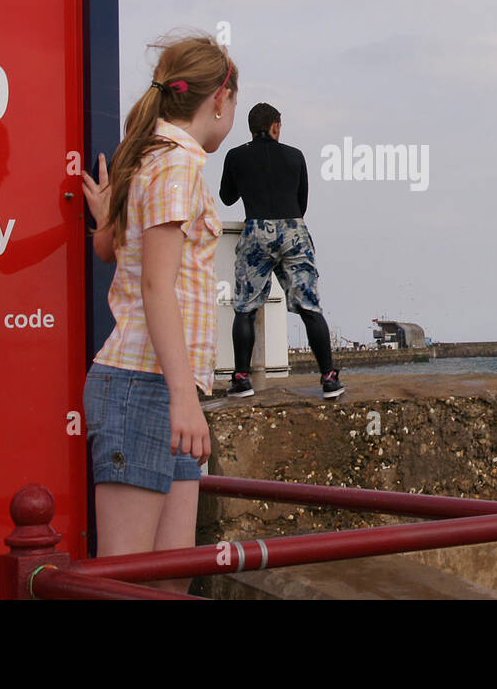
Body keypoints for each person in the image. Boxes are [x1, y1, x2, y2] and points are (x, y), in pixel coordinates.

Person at [78, 32, 236, 591]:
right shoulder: (178, 165)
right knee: (128, 583)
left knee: (169, 581)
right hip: (149, 386)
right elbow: (155, 284)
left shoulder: (148, 157)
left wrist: (105, 218)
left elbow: (114, 253)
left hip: (157, 385)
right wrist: (184, 399)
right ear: (221, 97)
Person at [219, 103, 343, 399]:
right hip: (293, 230)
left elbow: (226, 197)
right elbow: (302, 203)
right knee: (309, 306)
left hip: (256, 230)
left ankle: (241, 379)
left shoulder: (236, 156)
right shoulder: (295, 156)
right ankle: (328, 377)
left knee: (246, 307)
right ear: (275, 126)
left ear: (251, 127)